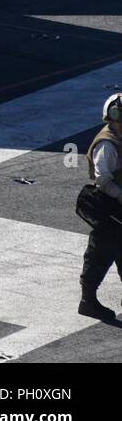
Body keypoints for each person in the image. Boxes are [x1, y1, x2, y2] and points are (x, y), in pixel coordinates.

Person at [79, 93, 122, 320]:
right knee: (99, 255)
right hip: (110, 208)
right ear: (115, 117)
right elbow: (103, 180)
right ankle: (88, 301)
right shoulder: (107, 144)